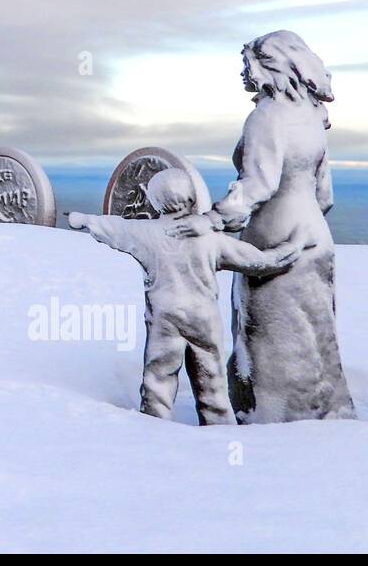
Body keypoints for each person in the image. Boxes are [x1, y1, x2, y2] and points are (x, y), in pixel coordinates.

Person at [164, 31, 355, 422]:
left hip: (272, 240)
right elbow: (325, 194)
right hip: (316, 237)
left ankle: (270, 419)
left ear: (271, 64)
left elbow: (257, 185)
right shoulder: (315, 115)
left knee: (268, 340)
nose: (242, 73)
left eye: (246, 64)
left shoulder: (266, 117)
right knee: (316, 336)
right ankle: (320, 414)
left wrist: (215, 219)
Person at [70, 169, 312, 425]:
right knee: (212, 382)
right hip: (203, 319)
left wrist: (83, 220)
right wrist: (293, 247)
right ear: (191, 198)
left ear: (155, 200)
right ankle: (219, 429)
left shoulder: (145, 233)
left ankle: (153, 426)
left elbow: (113, 228)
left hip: (165, 317)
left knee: (158, 379)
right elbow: (260, 262)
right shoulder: (211, 240)